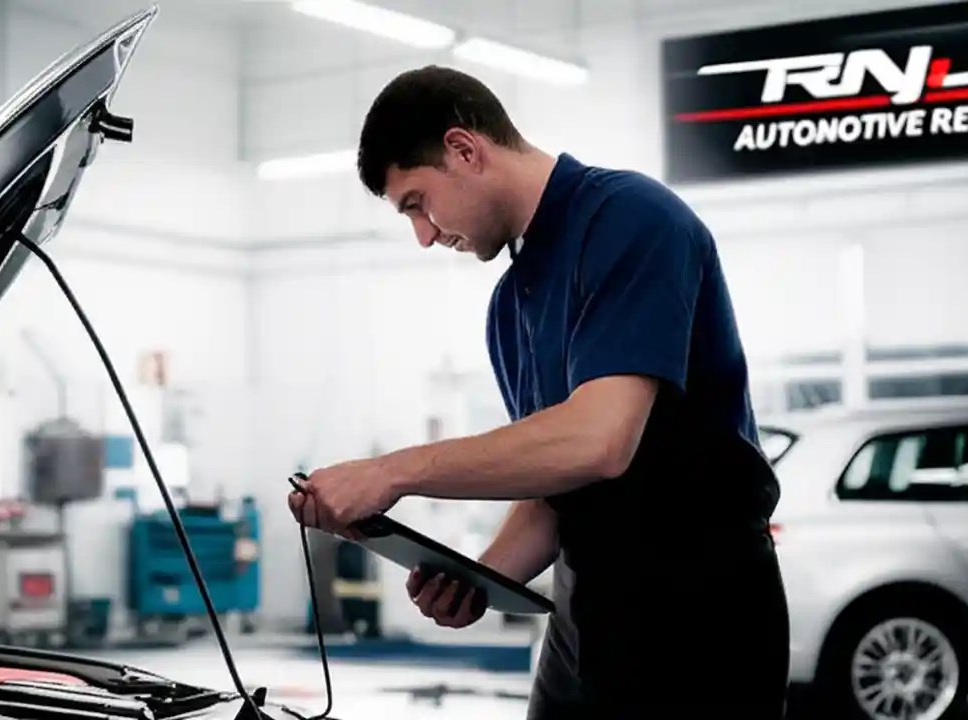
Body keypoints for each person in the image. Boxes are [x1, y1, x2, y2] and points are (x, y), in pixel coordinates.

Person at [287, 65, 789, 717]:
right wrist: (479, 581)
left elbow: (599, 442)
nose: (425, 234)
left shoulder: (631, 219)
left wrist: (392, 472)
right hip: (585, 612)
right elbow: (554, 493)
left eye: (417, 202)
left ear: (464, 150)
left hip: (697, 608)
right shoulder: (509, 306)